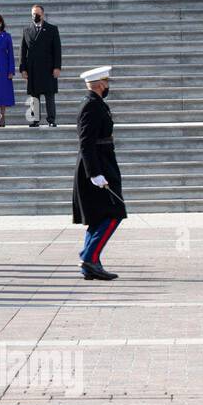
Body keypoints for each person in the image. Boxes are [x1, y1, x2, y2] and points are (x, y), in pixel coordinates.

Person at [73, 66, 125, 280]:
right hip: (97, 166)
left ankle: (91, 263)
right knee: (114, 213)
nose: (108, 85)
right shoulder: (91, 107)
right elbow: (86, 142)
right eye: (106, 82)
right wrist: (94, 173)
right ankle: (89, 257)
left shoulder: (97, 104)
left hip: (103, 162)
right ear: (100, 84)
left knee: (98, 217)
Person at [19, 5, 62, 127]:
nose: (35, 16)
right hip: (33, 68)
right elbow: (22, 51)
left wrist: (57, 67)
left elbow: (57, 50)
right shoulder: (27, 30)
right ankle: (35, 120)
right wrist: (23, 69)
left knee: (49, 95)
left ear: (42, 15)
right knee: (34, 96)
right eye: (33, 13)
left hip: (48, 68)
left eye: (37, 13)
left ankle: (51, 120)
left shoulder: (52, 29)